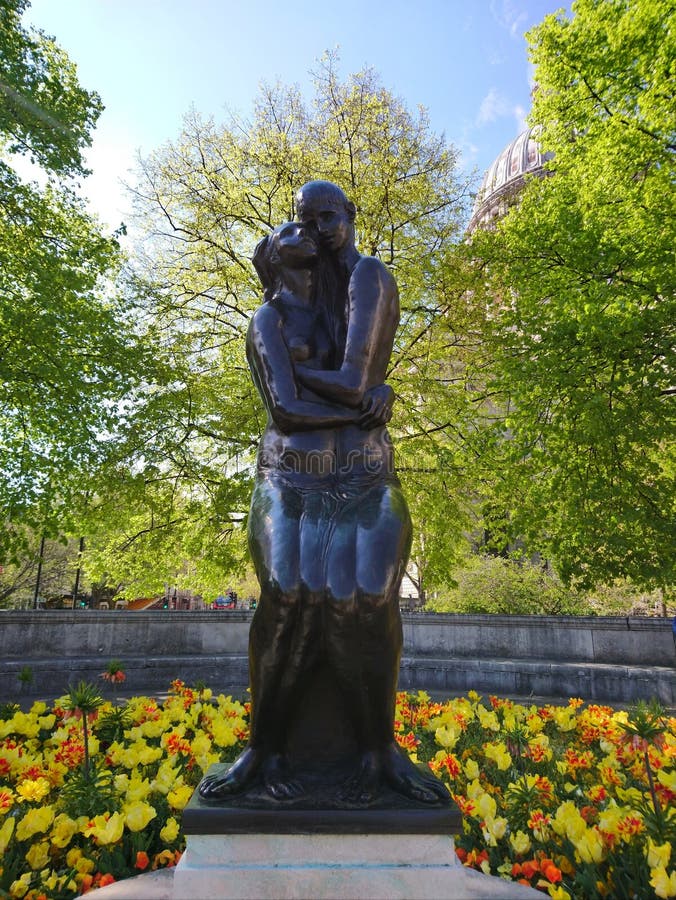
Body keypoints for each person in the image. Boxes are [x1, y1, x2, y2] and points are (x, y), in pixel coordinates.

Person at [199, 220, 391, 800]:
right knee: (287, 589)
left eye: (316, 222)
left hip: (352, 478)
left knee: (358, 593)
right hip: (288, 477)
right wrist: (364, 405)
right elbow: (283, 410)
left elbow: (361, 364)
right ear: (273, 257)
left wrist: (373, 389)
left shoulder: (346, 297)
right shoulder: (268, 319)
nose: (304, 229)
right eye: (291, 227)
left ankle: (379, 750)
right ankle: (265, 748)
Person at [293, 180, 448, 804]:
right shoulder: (304, 292)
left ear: (351, 218)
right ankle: (277, 751)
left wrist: (283, 368)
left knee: (366, 594)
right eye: (307, 221)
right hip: (307, 472)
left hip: (361, 469)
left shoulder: (368, 277)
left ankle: (378, 750)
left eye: (329, 217)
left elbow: (358, 381)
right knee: (297, 597)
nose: (320, 229)